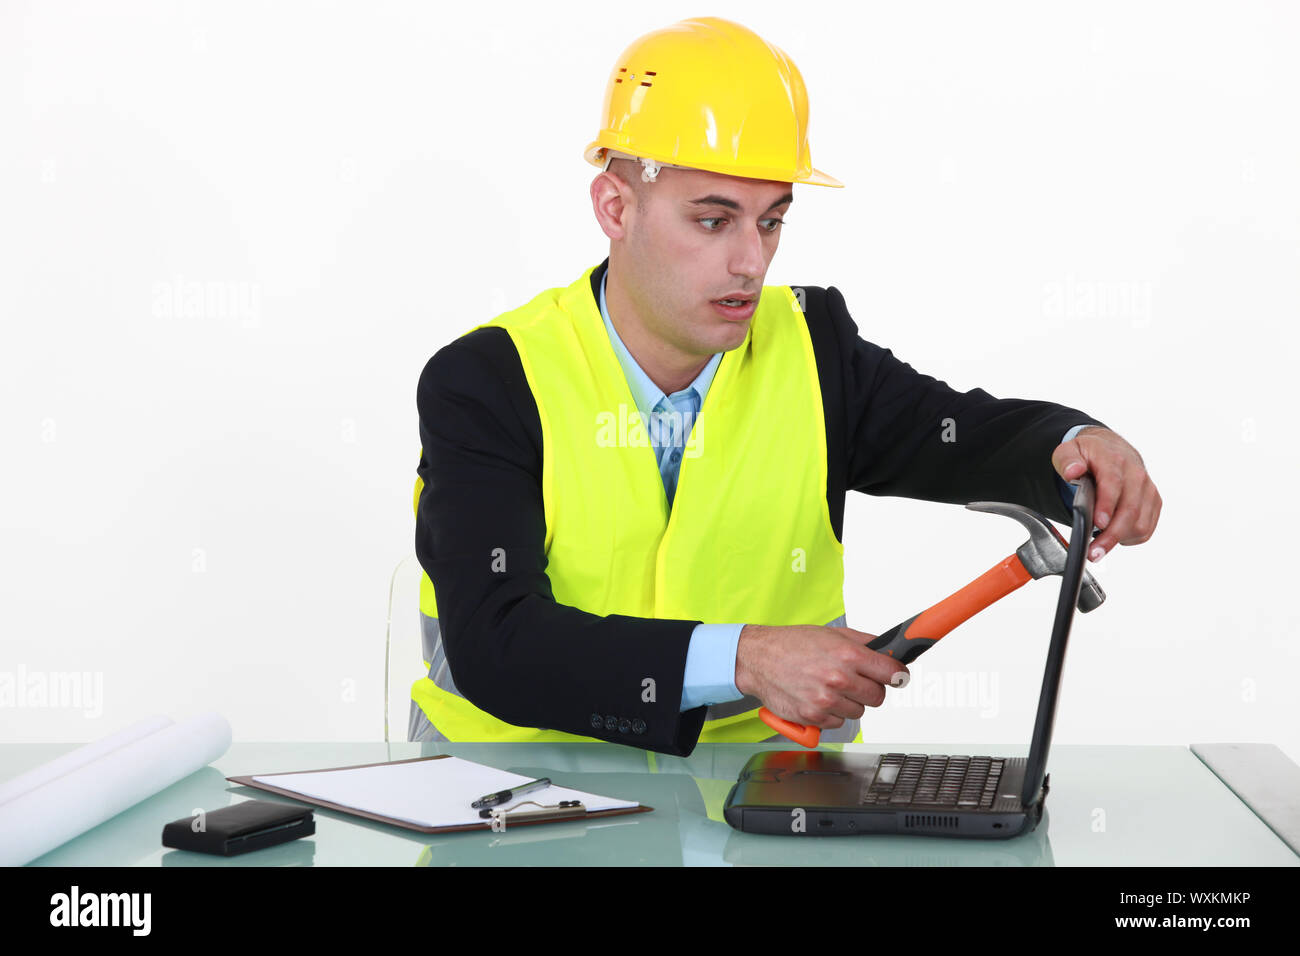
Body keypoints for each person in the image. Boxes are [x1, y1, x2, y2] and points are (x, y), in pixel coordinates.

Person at [409, 17, 1161, 755]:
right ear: (616, 207)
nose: (750, 261)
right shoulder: (487, 383)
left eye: (771, 222)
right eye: (712, 221)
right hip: (507, 789)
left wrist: (1073, 445)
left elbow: (961, 435)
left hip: (761, 788)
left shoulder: (813, 346)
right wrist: (743, 658)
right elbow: (495, 641)